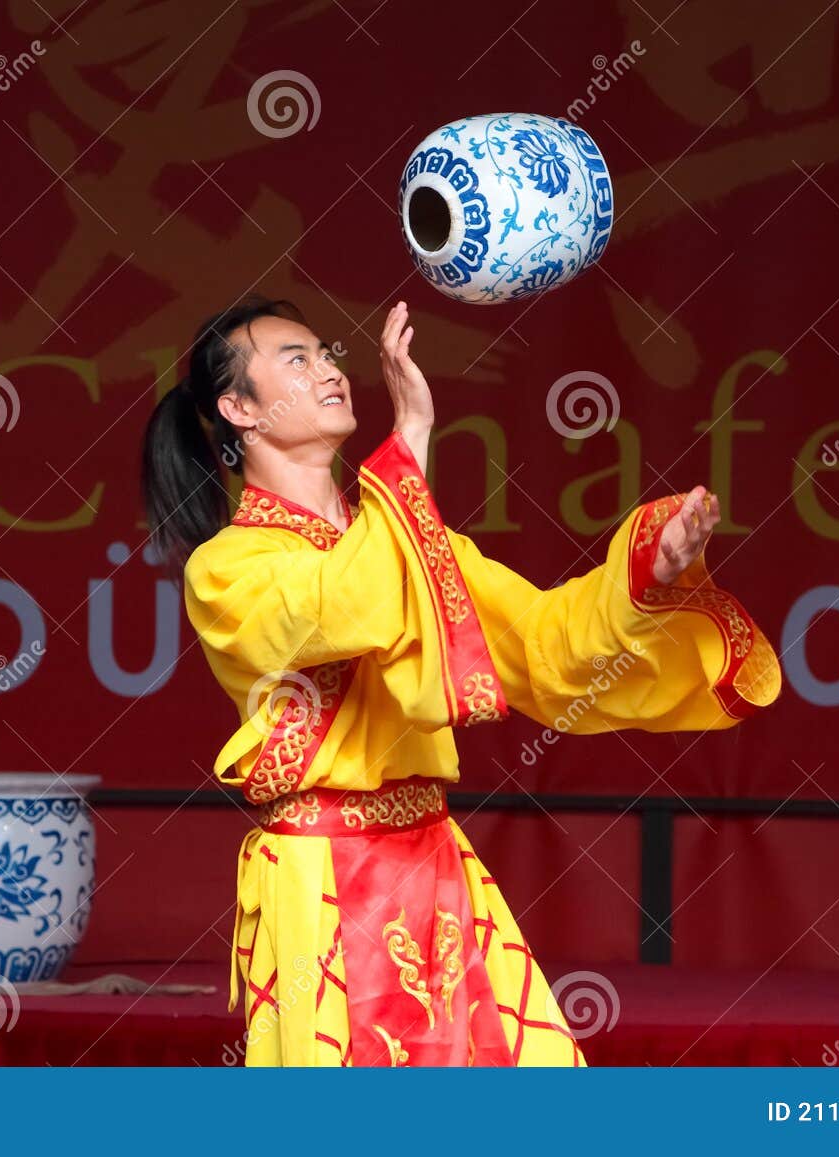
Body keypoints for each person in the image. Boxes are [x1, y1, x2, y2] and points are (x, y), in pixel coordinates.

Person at [141, 295, 782, 1066]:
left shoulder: (415, 539)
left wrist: (645, 572)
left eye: (328, 354)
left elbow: (544, 643)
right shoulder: (228, 567)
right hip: (323, 880)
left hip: (436, 862)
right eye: (297, 359)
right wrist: (407, 445)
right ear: (238, 407)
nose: (329, 371)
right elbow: (342, 606)